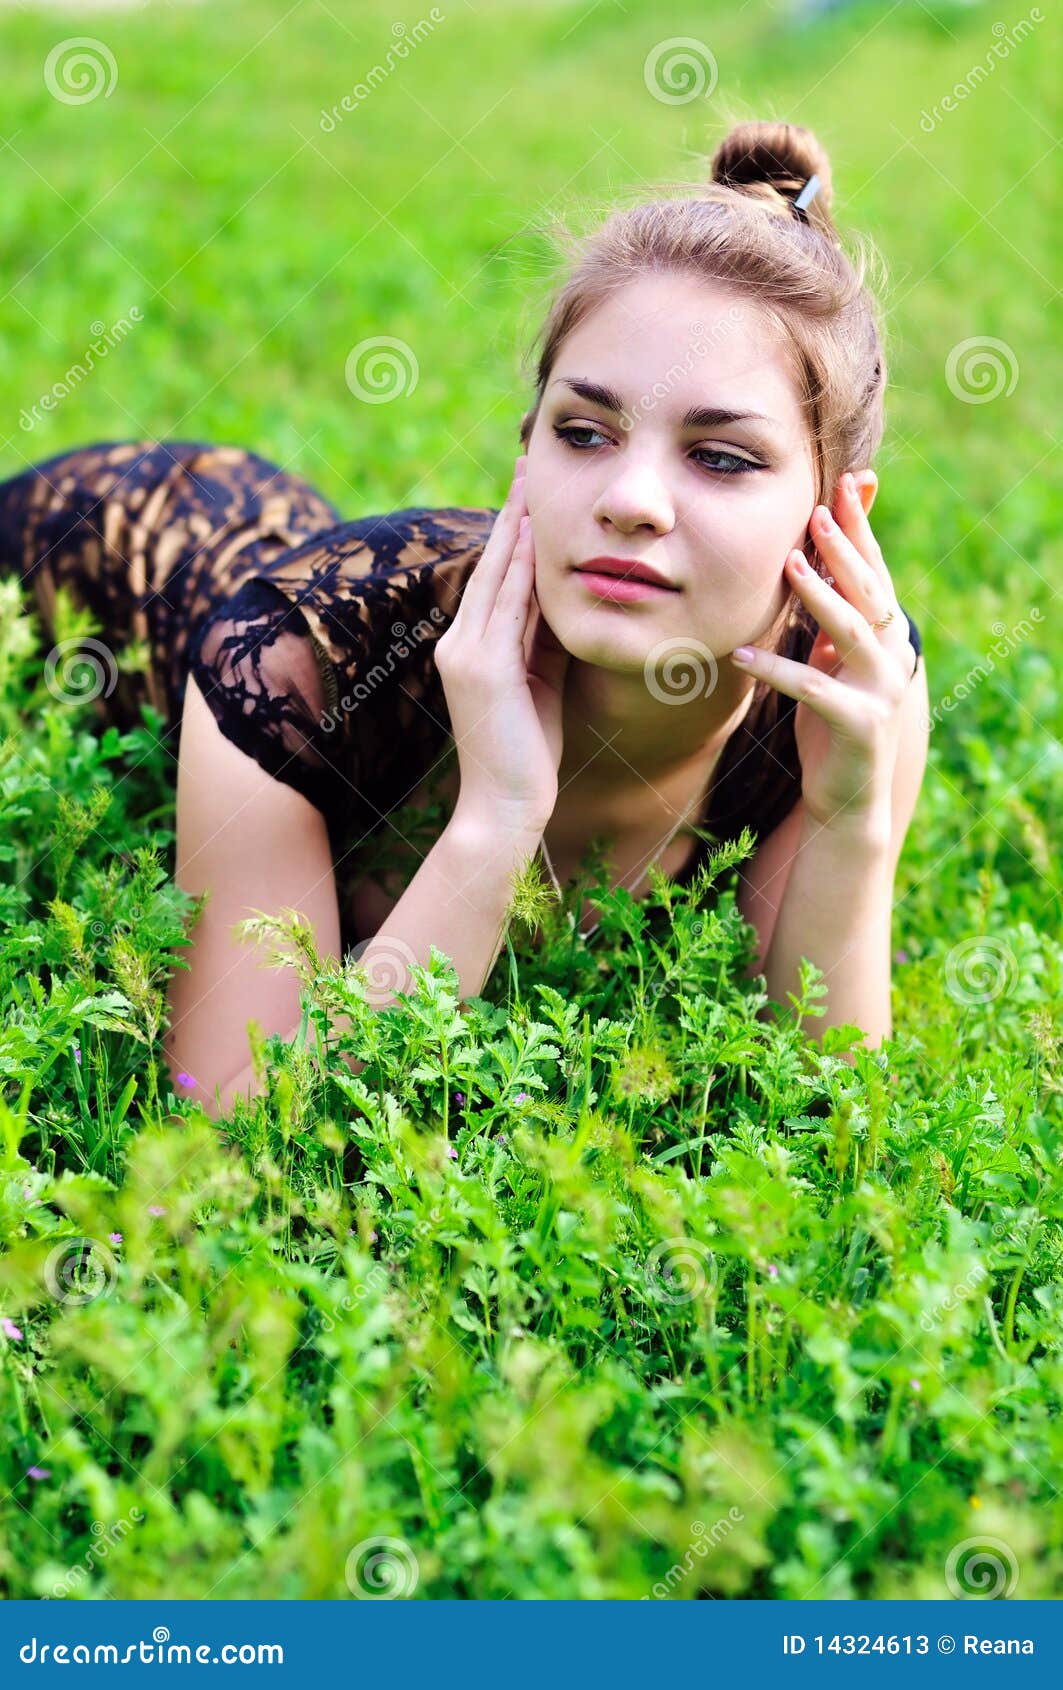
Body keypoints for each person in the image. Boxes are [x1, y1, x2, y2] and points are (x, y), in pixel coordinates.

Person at [0, 120, 929, 1121]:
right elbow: (241, 1124)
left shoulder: (853, 686)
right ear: (528, 458)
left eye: (721, 457)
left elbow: (822, 1110)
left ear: (838, 514)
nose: (631, 499)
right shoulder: (295, 663)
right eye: (584, 432)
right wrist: (492, 823)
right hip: (108, 541)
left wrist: (850, 824)